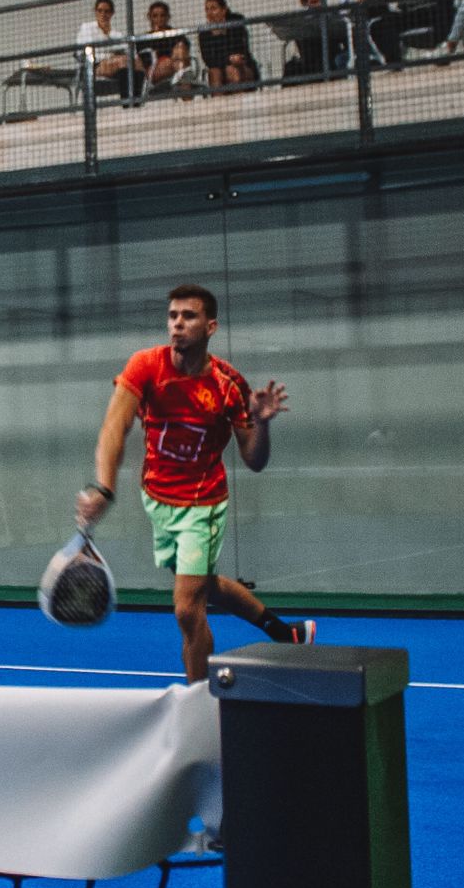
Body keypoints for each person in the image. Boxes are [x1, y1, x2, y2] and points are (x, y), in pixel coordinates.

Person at [75, 285, 310, 683]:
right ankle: (284, 631)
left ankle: (198, 702)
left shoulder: (227, 384)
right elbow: (115, 426)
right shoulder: (145, 366)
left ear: (211, 326)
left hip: (204, 505)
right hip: (157, 498)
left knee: (187, 607)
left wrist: (263, 424)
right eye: (173, 316)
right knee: (204, 586)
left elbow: (254, 460)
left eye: (189, 316)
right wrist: (105, 487)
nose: (177, 324)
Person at [273, 0, 338, 78]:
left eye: (321, 0)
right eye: (314, 2)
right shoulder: (302, 21)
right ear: (304, 3)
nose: (318, 5)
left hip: (330, 56)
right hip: (309, 59)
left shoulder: (332, 16)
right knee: (290, 68)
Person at [195, 0, 259, 88]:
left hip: (243, 68)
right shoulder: (204, 33)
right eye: (207, 9)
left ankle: (238, 100)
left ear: (224, 10)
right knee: (214, 72)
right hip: (219, 69)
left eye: (213, 8)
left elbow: (240, 51)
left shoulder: (236, 25)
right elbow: (208, 59)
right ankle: (218, 101)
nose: (209, 13)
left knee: (232, 70)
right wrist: (228, 59)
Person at [138, 0, 198, 98]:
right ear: (149, 17)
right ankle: (183, 75)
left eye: (162, 15)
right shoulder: (144, 39)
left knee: (181, 49)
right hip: (154, 71)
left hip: (176, 65)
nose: (159, 19)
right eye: (155, 16)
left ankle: (181, 78)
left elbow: (185, 49)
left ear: (168, 17)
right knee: (184, 68)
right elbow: (145, 61)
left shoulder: (176, 34)